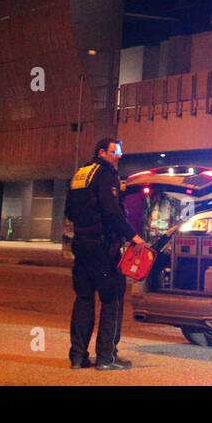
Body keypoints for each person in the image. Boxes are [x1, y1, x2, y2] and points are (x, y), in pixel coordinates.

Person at [65, 138, 144, 370]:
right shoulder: (106, 173)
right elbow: (112, 212)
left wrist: (86, 223)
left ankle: (78, 357)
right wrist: (133, 236)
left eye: (120, 151)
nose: (118, 156)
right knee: (113, 298)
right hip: (102, 246)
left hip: (81, 244)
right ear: (102, 152)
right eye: (115, 151)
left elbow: (69, 210)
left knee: (84, 298)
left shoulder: (81, 174)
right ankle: (106, 357)